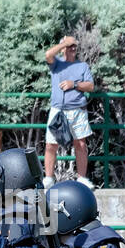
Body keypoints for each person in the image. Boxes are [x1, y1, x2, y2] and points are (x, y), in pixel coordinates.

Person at [43, 34, 94, 188]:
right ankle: (49, 178)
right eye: (69, 46)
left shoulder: (82, 66)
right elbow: (48, 54)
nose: (72, 48)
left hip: (77, 110)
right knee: (51, 144)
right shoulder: (56, 63)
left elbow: (90, 86)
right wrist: (64, 43)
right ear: (63, 48)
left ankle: (82, 178)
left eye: (74, 46)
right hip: (58, 110)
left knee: (81, 144)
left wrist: (74, 84)